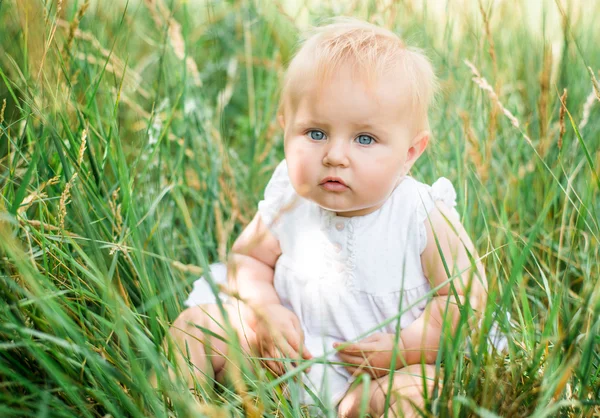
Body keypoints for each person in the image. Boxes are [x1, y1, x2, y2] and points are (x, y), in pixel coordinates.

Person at [164, 17, 493, 417]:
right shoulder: (289, 196)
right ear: (285, 128)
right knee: (195, 326)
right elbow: (247, 260)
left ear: (410, 152)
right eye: (316, 133)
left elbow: (465, 300)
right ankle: (176, 407)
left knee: (420, 393)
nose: (335, 155)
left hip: (376, 377)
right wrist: (265, 311)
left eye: (365, 138)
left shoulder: (421, 215)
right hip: (280, 366)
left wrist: (408, 346)